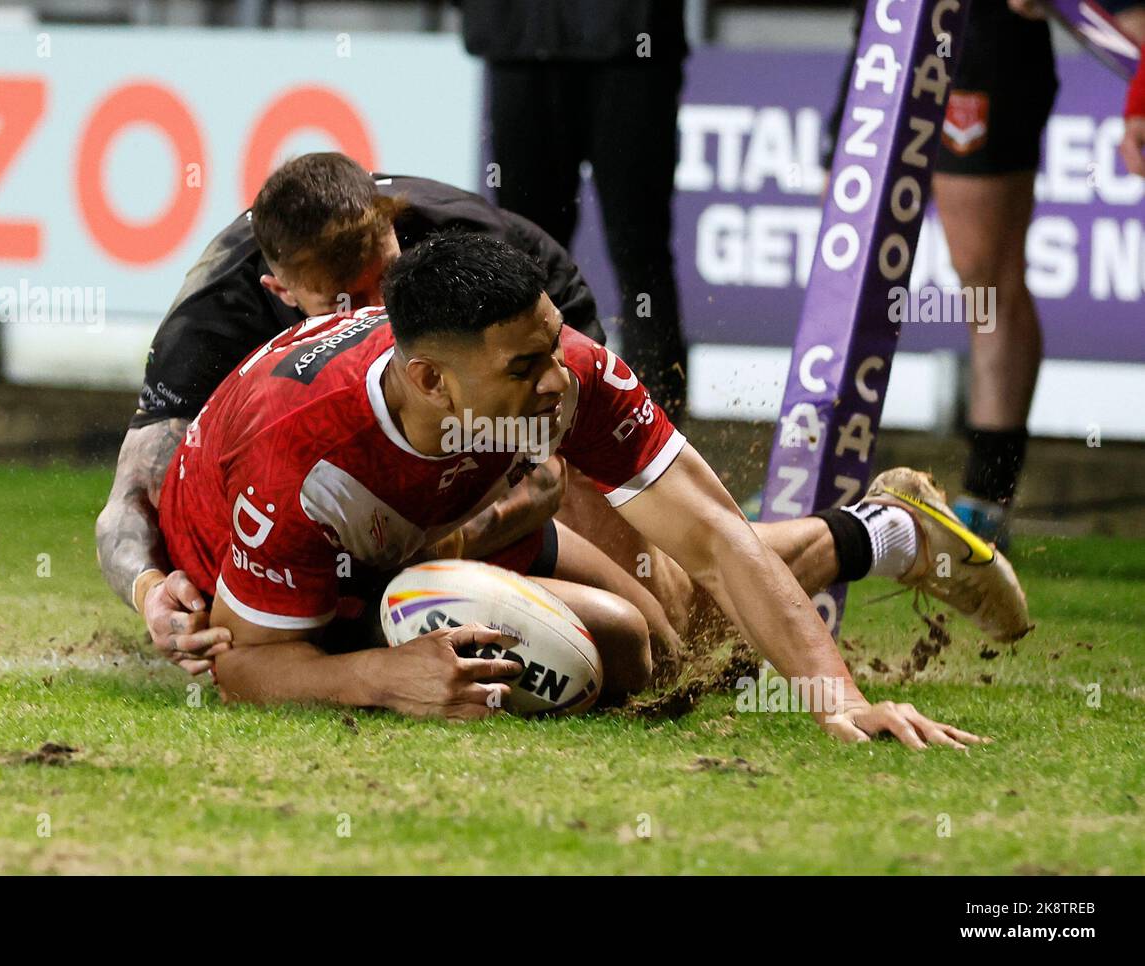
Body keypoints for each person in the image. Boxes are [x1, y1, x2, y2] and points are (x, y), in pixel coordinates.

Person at [157, 229, 1013, 748]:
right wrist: (384, 678)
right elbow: (248, 664)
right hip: (296, 579)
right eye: (525, 367)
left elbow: (716, 533)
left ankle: (890, 531)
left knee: (668, 640)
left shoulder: (563, 371)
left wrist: (839, 701)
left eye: (554, 347)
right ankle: (881, 531)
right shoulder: (300, 458)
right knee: (637, 655)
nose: (556, 385)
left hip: (436, 526)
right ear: (432, 381)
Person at [96, 152, 638, 674]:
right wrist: (149, 591)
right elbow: (130, 502)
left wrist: (458, 529)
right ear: (280, 290)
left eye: (389, 280)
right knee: (603, 637)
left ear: (397, 233)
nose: (383, 320)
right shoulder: (209, 327)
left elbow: (550, 469)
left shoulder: (466, 244)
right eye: (349, 302)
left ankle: (687, 617)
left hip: (512, 330)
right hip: (332, 528)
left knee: (611, 532)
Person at [825, 0, 1145, 547]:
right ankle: (819, 480)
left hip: (984, 33)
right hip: (886, 27)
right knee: (843, 261)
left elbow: (1127, 22)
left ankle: (984, 503)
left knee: (985, 281)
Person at [461, 0, 689, 422]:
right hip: (521, 40)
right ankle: (523, 426)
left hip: (631, 42)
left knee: (640, 249)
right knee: (521, 256)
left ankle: (660, 431)